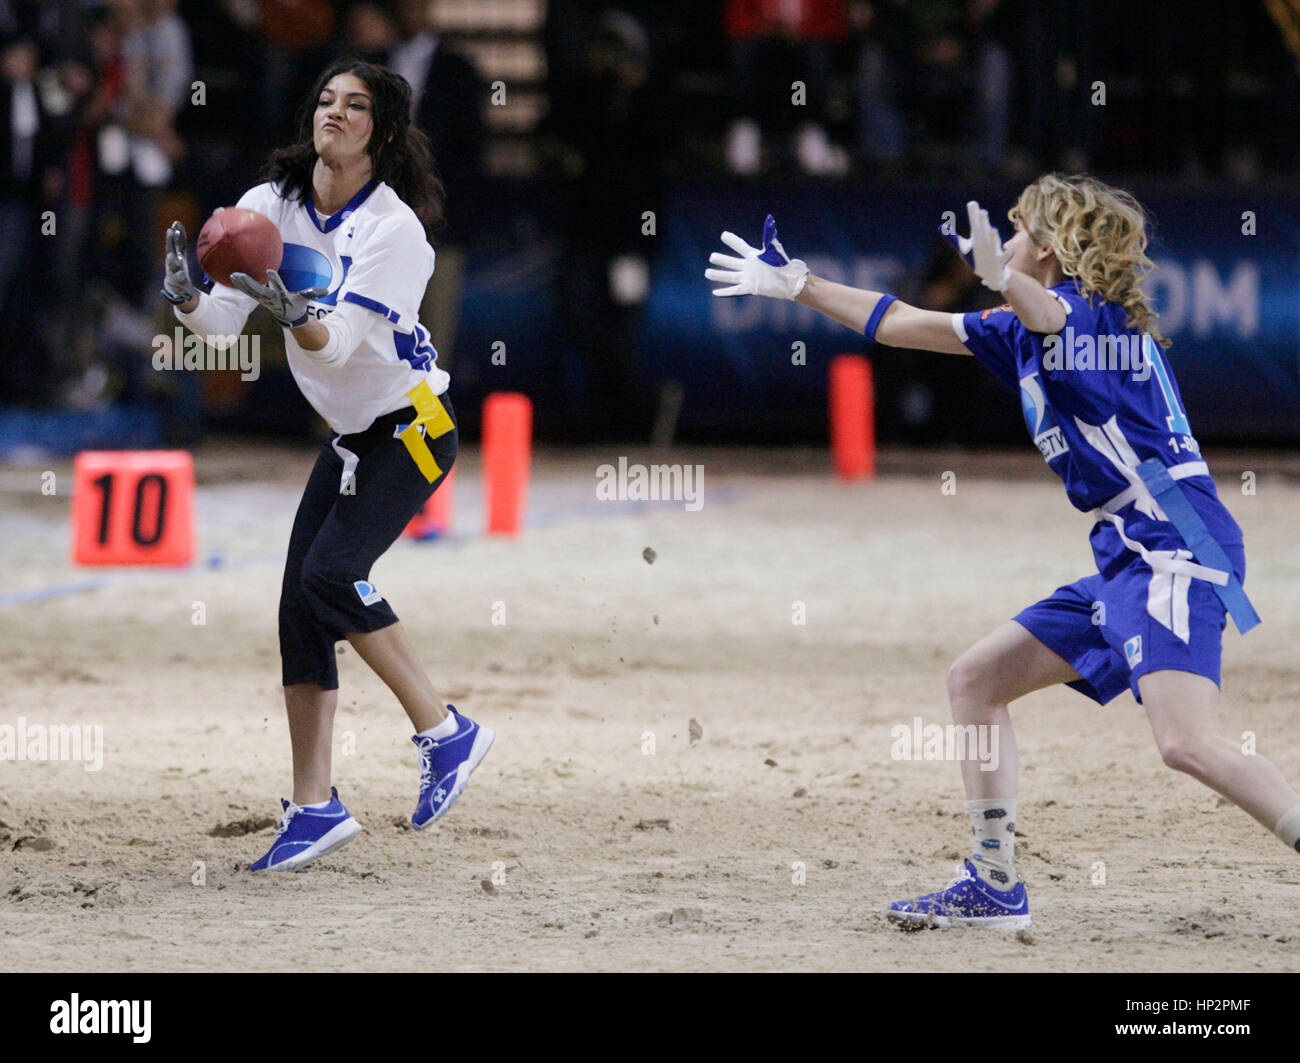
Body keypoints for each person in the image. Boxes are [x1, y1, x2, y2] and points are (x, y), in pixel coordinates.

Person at [706, 174, 1300, 928]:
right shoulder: (1023, 324)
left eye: (1019, 232)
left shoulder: (1098, 321)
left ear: (1049, 248)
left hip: (1174, 544)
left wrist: (1011, 279)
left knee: (1187, 743)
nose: (1006, 242)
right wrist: (798, 284)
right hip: (1129, 551)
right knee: (977, 679)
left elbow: (1051, 313)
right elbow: (901, 323)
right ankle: (992, 882)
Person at [161, 57, 494, 873]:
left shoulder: (394, 230)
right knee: (296, 610)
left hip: (413, 426)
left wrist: (291, 309)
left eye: (354, 106)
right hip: (349, 436)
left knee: (328, 577)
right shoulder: (268, 205)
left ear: (381, 130)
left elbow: (337, 342)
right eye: (325, 100)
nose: (332, 114)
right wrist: (187, 298)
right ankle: (316, 807)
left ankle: (447, 731)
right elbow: (224, 326)